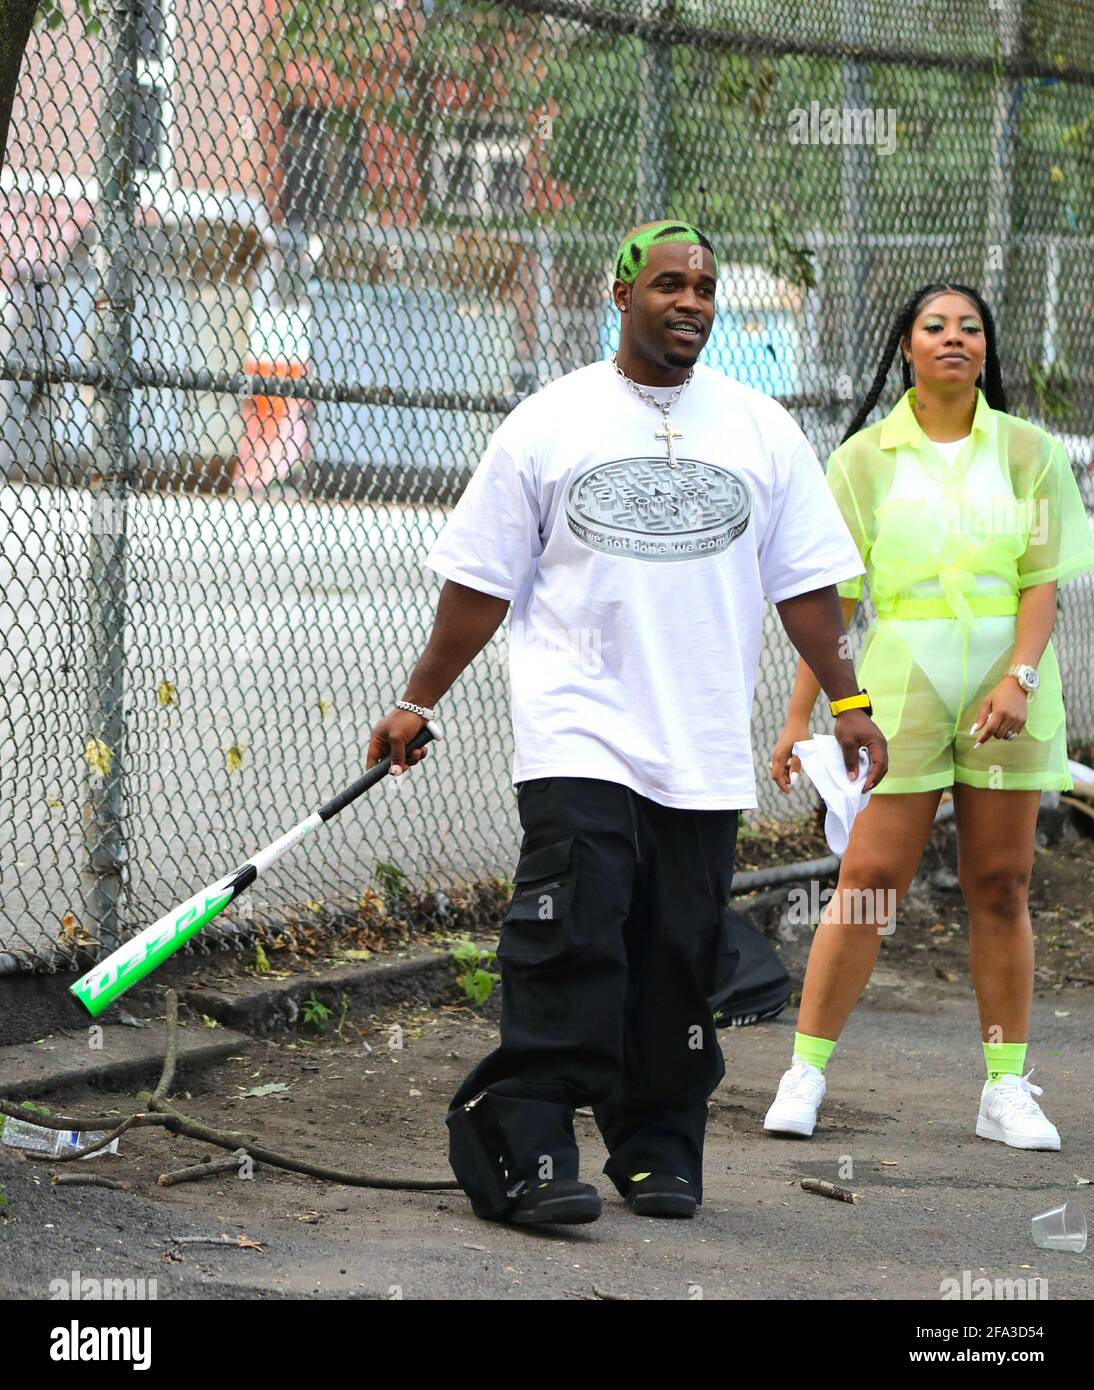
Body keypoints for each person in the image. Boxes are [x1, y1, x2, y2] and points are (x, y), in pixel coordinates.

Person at [367, 219, 886, 1226]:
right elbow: (477, 586)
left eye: (702, 286)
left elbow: (805, 589)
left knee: (675, 953)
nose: (689, 301)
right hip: (578, 730)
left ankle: (654, 1144)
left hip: (698, 748)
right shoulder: (548, 423)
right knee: (573, 937)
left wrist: (849, 699)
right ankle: (523, 1144)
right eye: (666, 284)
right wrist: (415, 698)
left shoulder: (760, 429)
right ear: (619, 295)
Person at [765, 282, 1094, 1150]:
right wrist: (801, 718)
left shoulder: (1028, 453)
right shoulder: (864, 460)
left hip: (1006, 691)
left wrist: (1020, 679)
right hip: (898, 683)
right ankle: (805, 1072)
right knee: (869, 883)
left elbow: (1039, 582)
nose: (955, 338)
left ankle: (1003, 1089)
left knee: (1000, 885)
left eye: (971, 327)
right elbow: (831, 602)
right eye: (935, 326)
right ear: (906, 347)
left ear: (987, 349)